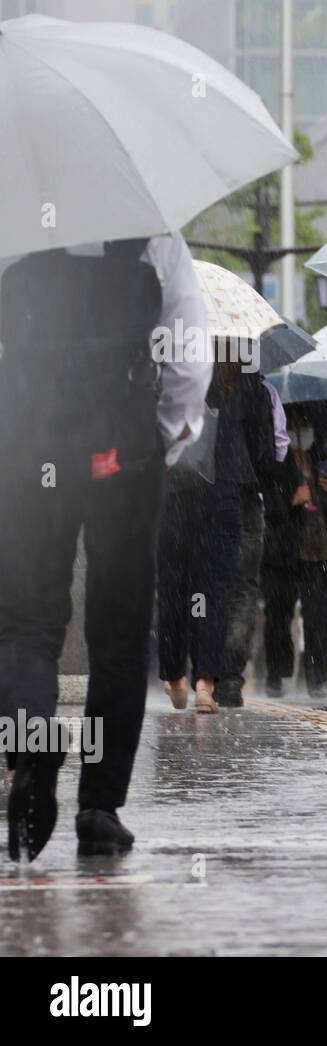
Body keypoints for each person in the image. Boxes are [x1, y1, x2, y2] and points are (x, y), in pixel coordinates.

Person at [0, 232, 209, 860]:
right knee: (118, 633)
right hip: (122, 450)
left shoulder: (12, 222)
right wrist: (166, 435)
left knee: (24, 621)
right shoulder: (152, 235)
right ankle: (99, 807)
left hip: (27, 446)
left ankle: (32, 741)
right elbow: (188, 349)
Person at [157, 358, 275, 714]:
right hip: (226, 491)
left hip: (176, 489)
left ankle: (175, 673)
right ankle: (205, 682)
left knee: (174, 585)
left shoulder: (172, 369)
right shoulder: (249, 381)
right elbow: (265, 452)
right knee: (216, 590)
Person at [261, 410, 327, 700]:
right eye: (294, 427)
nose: (300, 433)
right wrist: (290, 501)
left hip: (320, 555)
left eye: (303, 426)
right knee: (279, 616)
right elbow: (267, 509)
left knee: (318, 619)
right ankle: (275, 675)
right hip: (285, 556)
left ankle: (317, 679)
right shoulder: (277, 466)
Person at [214, 375, 286, 708]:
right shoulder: (261, 391)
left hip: (202, 495)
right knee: (243, 588)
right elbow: (276, 452)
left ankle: (205, 669)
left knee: (206, 584)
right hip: (246, 496)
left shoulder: (194, 381)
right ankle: (230, 677)